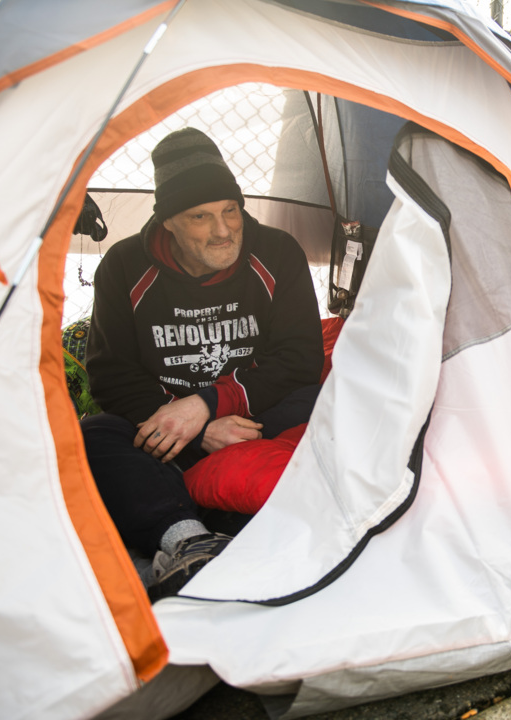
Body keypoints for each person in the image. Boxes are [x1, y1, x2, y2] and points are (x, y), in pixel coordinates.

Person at [81, 127, 324, 600]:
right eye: (200, 216)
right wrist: (195, 429)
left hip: (256, 421)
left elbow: (300, 359)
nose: (224, 230)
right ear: (168, 221)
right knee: (95, 434)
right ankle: (190, 542)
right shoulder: (124, 267)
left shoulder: (277, 252)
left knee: (325, 398)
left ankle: (201, 521)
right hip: (169, 432)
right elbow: (111, 375)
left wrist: (209, 404)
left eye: (231, 210)